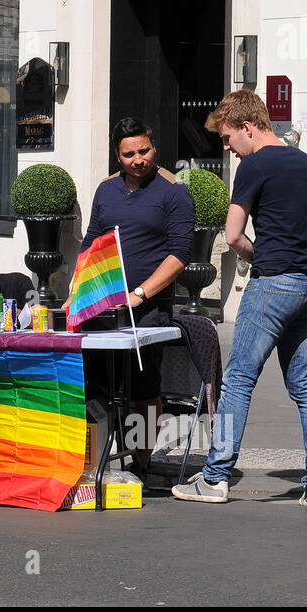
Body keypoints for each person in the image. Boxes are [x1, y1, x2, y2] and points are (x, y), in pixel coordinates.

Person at [172, 90, 307, 508]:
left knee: (237, 381)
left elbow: (232, 236)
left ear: (248, 128)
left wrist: (259, 255)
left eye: (229, 138)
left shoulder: (253, 167)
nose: (229, 149)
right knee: (306, 386)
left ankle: (214, 479)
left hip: (273, 284)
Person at [77, 117, 194, 471]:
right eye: (129, 154)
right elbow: (90, 244)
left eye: (144, 150)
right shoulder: (106, 190)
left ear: (154, 147)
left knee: (144, 386)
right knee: (96, 382)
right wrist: (76, 291)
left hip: (149, 306)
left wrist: (141, 294)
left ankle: (140, 462)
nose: (138, 159)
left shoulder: (174, 191)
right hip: (103, 302)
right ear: (118, 156)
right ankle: (97, 461)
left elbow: (179, 255)